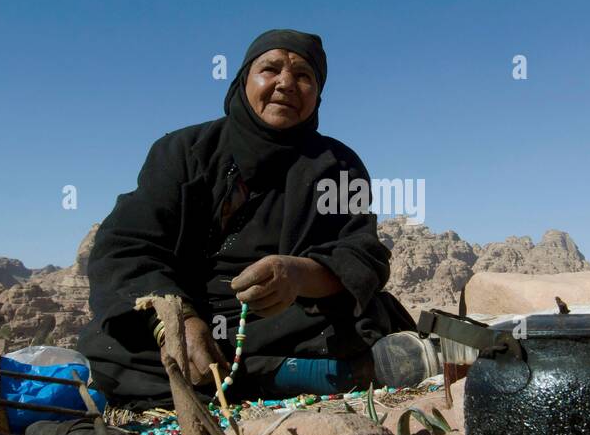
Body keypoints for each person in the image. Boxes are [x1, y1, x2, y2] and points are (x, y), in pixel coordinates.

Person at [78, 28, 437, 408]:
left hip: (288, 319)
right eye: (270, 69)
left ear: (318, 95)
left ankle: (249, 379)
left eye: (304, 76)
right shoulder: (183, 151)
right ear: (244, 79)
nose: (286, 84)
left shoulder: (339, 166)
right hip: (195, 311)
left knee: (361, 317)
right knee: (108, 350)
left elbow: (362, 256)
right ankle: (308, 375)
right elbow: (127, 247)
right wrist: (178, 321)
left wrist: (298, 274)